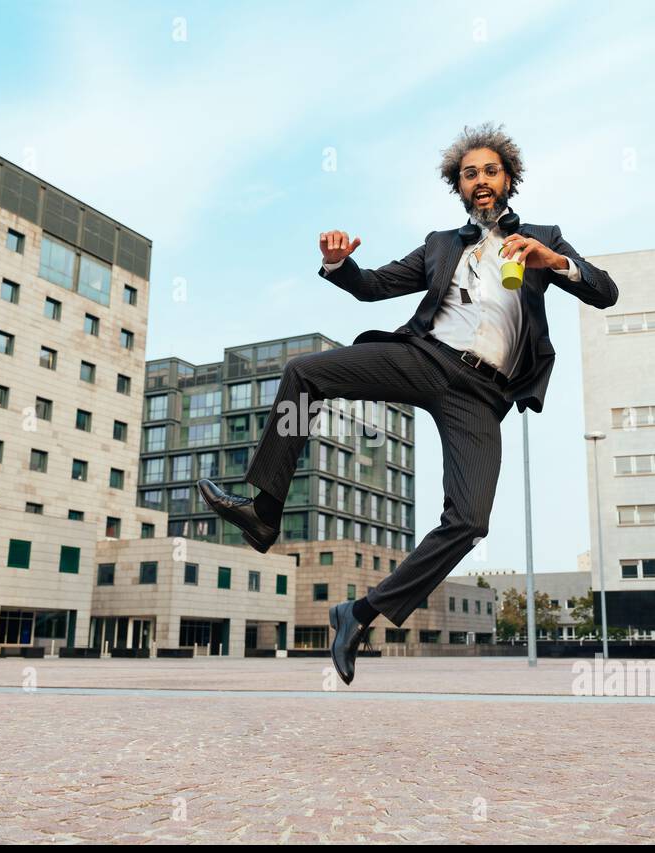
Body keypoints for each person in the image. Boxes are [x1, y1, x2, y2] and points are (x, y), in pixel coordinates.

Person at [198, 121, 618, 684]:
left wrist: (554, 261)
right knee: (304, 372)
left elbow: (605, 291)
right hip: (424, 358)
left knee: (469, 522)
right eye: (469, 174)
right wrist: (337, 264)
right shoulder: (440, 245)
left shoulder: (544, 236)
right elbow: (372, 285)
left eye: (490, 170)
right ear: (459, 187)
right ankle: (264, 513)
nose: (481, 180)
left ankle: (360, 614)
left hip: (482, 391)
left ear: (510, 179)